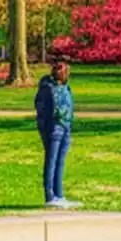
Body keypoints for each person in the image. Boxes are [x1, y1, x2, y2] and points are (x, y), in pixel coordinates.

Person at [35, 60, 80, 209]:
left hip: (66, 126)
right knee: (51, 160)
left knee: (60, 161)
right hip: (54, 128)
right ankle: (50, 195)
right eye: (60, 69)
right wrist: (49, 125)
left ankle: (59, 194)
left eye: (65, 69)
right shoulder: (47, 88)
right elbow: (42, 109)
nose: (62, 72)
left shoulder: (65, 87)